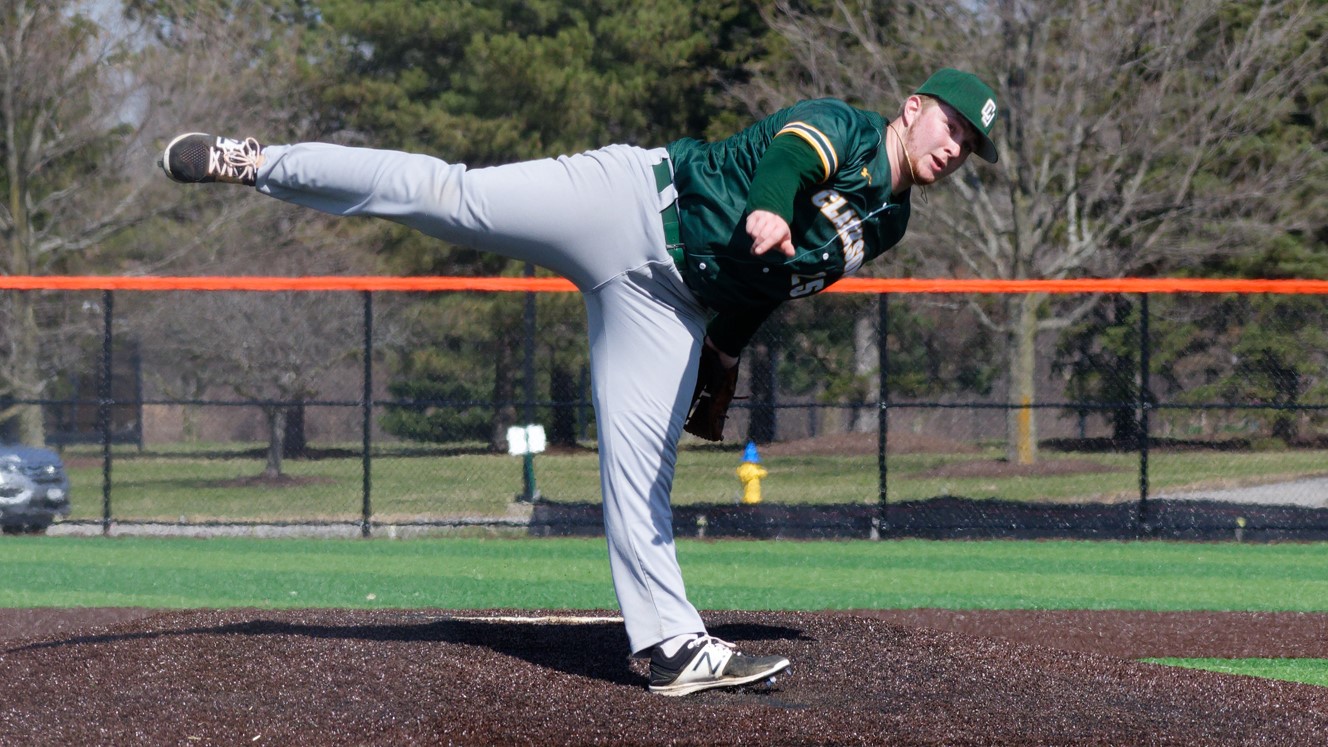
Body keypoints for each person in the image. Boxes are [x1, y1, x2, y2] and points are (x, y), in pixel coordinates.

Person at [159, 67, 999, 696]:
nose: (954, 148)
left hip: (672, 305)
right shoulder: (844, 127)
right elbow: (787, 162)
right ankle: (258, 161)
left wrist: (727, 353)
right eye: (950, 125)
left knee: (642, 479)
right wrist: (773, 204)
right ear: (914, 106)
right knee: (454, 197)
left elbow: (776, 281)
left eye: (970, 144)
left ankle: (670, 646)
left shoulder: (888, 220)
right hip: (629, 200)